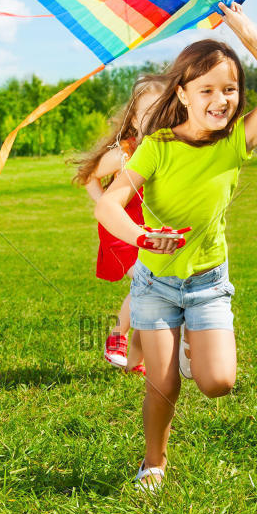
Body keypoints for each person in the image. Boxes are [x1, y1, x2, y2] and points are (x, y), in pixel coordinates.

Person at [94, 2, 257, 490]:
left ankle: (194, 345)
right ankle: (153, 462)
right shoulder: (158, 146)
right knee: (162, 382)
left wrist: (245, 31)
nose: (221, 99)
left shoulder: (236, 142)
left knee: (217, 383)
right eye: (206, 89)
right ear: (182, 94)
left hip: (207, 283)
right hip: (155, 284)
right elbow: (109, 205)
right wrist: (144, 237)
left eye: (230, 89)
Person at [71, 77, 163, 374]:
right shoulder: (126, 152)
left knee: (155, 285)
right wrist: (105, 210)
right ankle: (117, 337)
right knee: (148, 281)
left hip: (145, 231)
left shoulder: (166, 147)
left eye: (161, 111)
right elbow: (88, 176)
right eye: (147, 113)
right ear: (134, 119)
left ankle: (135, 358)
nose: (154, 119)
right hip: (122, 229)